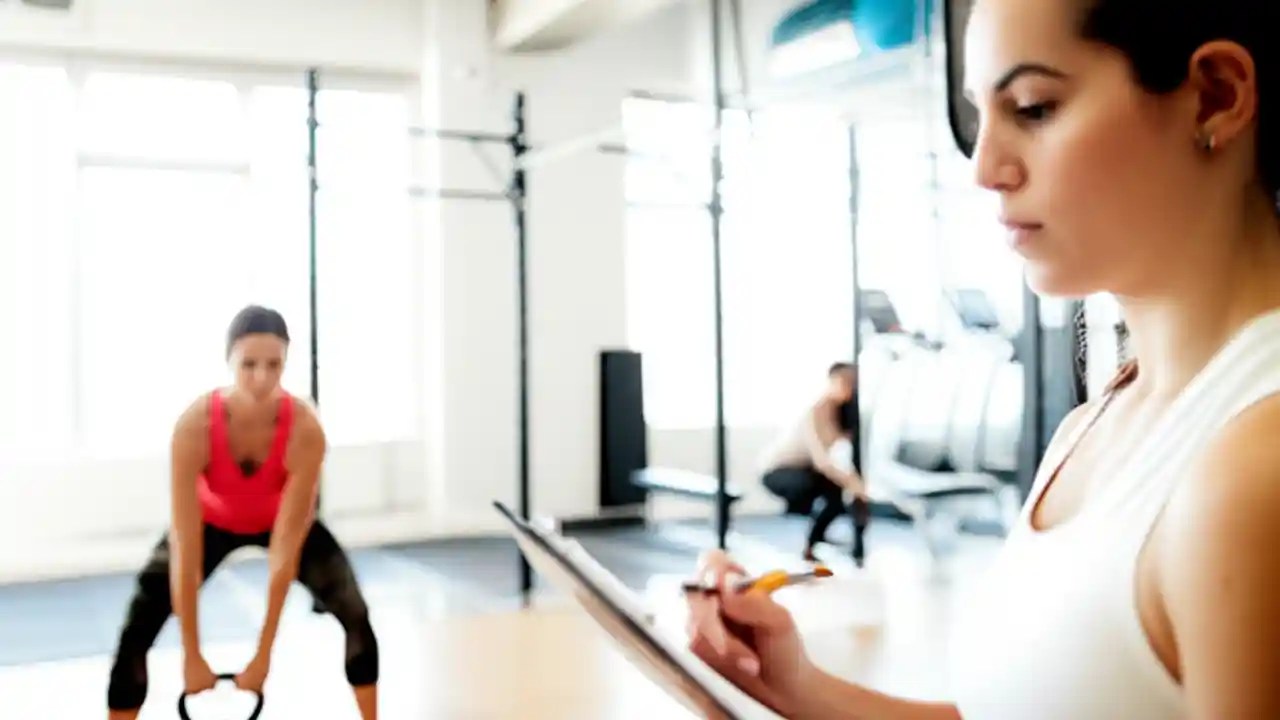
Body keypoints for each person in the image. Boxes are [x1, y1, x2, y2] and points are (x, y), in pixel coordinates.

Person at [686, 0, 1280, 717]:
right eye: (980, 115)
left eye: (1032, 107)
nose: (983, 169)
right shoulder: (1088, 431)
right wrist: (797, 688)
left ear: (1215, 95)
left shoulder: (1252, 472)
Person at [106, 306, 379, 720]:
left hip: (278, 523)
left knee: (356, 613)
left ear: (287, 362)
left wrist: (263, 657)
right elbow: (186, 550)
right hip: (210, 521)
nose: (261, 377)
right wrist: (191, 656)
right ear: (229, 360)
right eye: (249, 364)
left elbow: (284, 554)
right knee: (137, 625)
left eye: (274, 365)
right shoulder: (194, 426)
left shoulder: (305, 431)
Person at [758, 362, 868, 562]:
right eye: (846, 381)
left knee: (836, 495)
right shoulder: (817, 412)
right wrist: (855, 484)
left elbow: (842, 451)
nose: (851, 386)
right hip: (779, 471)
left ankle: (813, 542)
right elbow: (823, 462)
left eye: (854, 382)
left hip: (808, 470)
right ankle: (801, 518)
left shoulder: (843, 412)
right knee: (834, 487)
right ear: (833, 381)